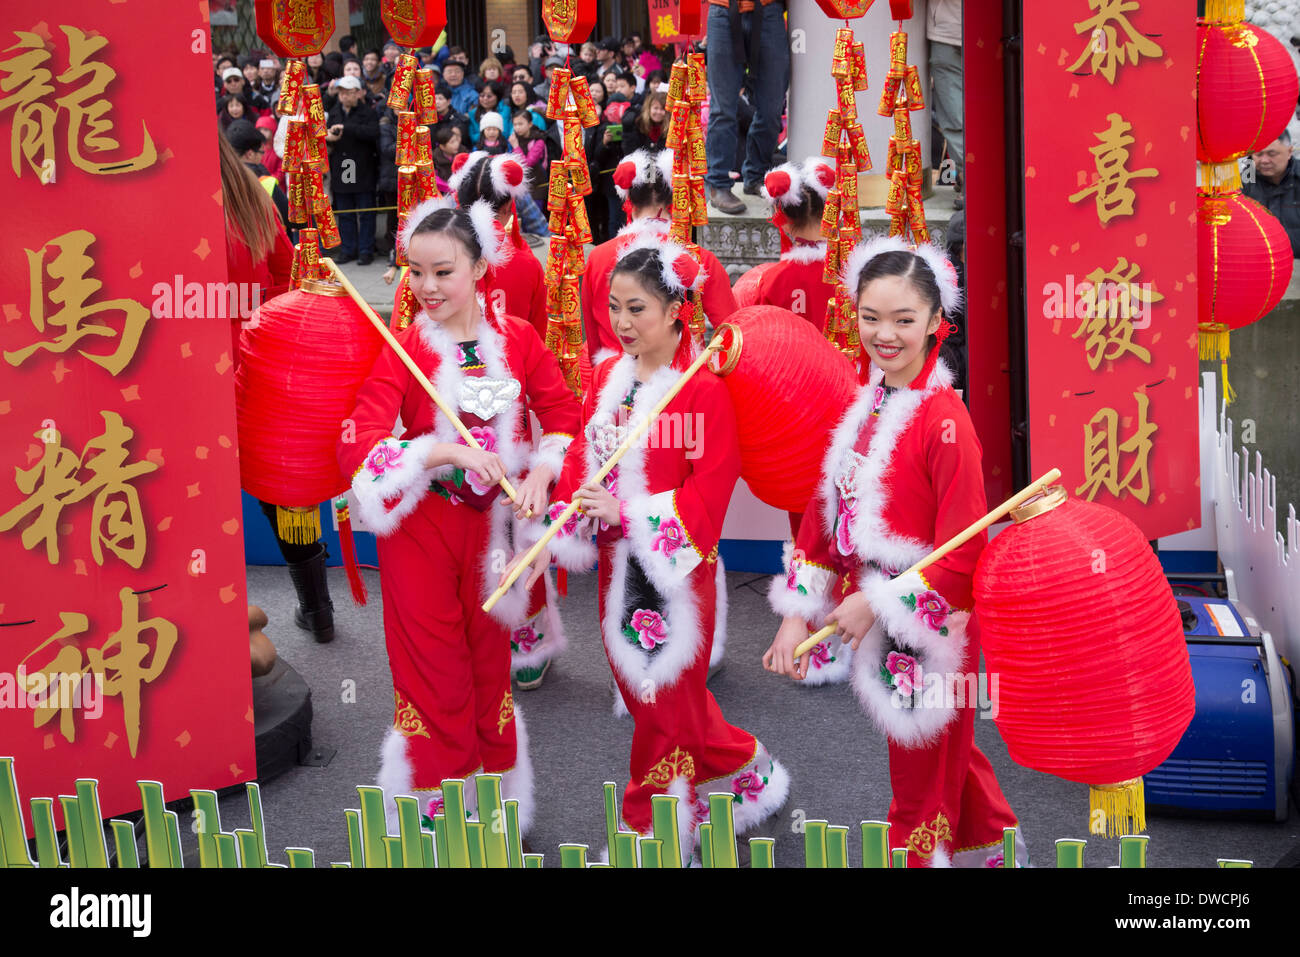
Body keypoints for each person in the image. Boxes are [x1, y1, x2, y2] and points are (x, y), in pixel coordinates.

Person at [505, 239, 789, 862]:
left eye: (638, 309)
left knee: (661, 702)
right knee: (651, 694)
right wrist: (570, 502)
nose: (623, 323)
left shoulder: (703, 389)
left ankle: (652, 834)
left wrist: (628, 513)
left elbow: (709, 495)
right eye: (614, 308)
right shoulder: (609, 374)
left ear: (675, 311)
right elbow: (585, 447)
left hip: (675, 577)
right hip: (617, 567)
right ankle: (742, 765)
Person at [763, 236, 1023, 867]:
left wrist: (875, 607)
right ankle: (997, 856)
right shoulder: (867, 404)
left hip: (930, 629)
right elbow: (828, 521)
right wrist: (799, 608)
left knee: (919, 791)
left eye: (904, 320)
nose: (885, 334)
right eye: (871, 317)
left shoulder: (945, 420)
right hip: (891, 614)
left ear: (937, 322)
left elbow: (963, 554)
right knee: (946, 763)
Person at [341, 200, 581, 830]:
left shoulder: (520, 341)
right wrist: (437, 451)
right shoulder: (404, 348)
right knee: (431, 674)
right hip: (422, 531)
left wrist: (540, 471)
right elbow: (358, 441)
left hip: (495, 534)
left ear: (479, 266)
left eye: (442, 272)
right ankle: (435, 818)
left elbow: (563, 417)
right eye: (414, 272)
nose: (425, 288)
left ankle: (497, 810)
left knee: (486, 668)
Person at [583, 148, 737, 368]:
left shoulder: (598, 257)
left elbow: (592, 333)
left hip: (613, 377)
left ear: (628, 201)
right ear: (673, 201)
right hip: (679, 379)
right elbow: (731, 332)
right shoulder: (699, 258)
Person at [703, 0, 791, 215]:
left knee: (771, 108)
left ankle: (755, 174)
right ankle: (718, 184)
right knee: (723, 109)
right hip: (723, 9)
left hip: (769, 10)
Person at [755, 158, 838, 335]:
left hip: (792, 361)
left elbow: (763, 334)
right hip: (846, 362)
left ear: (784, 220)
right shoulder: (854, 269)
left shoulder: (773, 279)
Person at [325, 75, 380, 265]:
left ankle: (366, 249)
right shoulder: (333, 112)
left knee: (366, 212)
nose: (345, 96)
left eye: (349, 92)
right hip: (341, 167)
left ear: (358, 93)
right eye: (342, 92)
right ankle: (348, 249)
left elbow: (373, 133)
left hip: (362, 167)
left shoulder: (368, 113)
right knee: (345, 212)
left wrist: (347, 128)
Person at [928, 0, 964, 209]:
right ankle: (971, 178)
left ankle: (974, 180)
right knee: (954, 118)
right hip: (946, 31)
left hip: (990, 27)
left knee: (957, 118)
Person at [226, 119, 290, 231]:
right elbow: (290, 217)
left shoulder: (220, 178)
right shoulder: (264, 182)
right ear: (250, 154)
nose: (262, 157)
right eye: (261, 152)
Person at [1244, 132, 1300, 257]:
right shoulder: (1244, 184)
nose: (1264, 160)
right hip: (1260, 262)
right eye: (1258, 154)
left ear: (1289, 152)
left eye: (1272, 154)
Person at [621, 90, 667, 156]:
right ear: (649, 109)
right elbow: (629, 151)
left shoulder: (672, 128)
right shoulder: (638, 124)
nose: (658, 112)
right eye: (655, 108)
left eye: (662, 109)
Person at [469, 80, 511, 147]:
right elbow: (473, 137)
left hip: (501, 147)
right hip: (480, 147)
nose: (485, 99)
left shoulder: (505, 110)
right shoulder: (473, 113)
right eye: (482, 96)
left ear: (497, 97)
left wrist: (484, 133)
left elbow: (505, 133)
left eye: (489, 96)